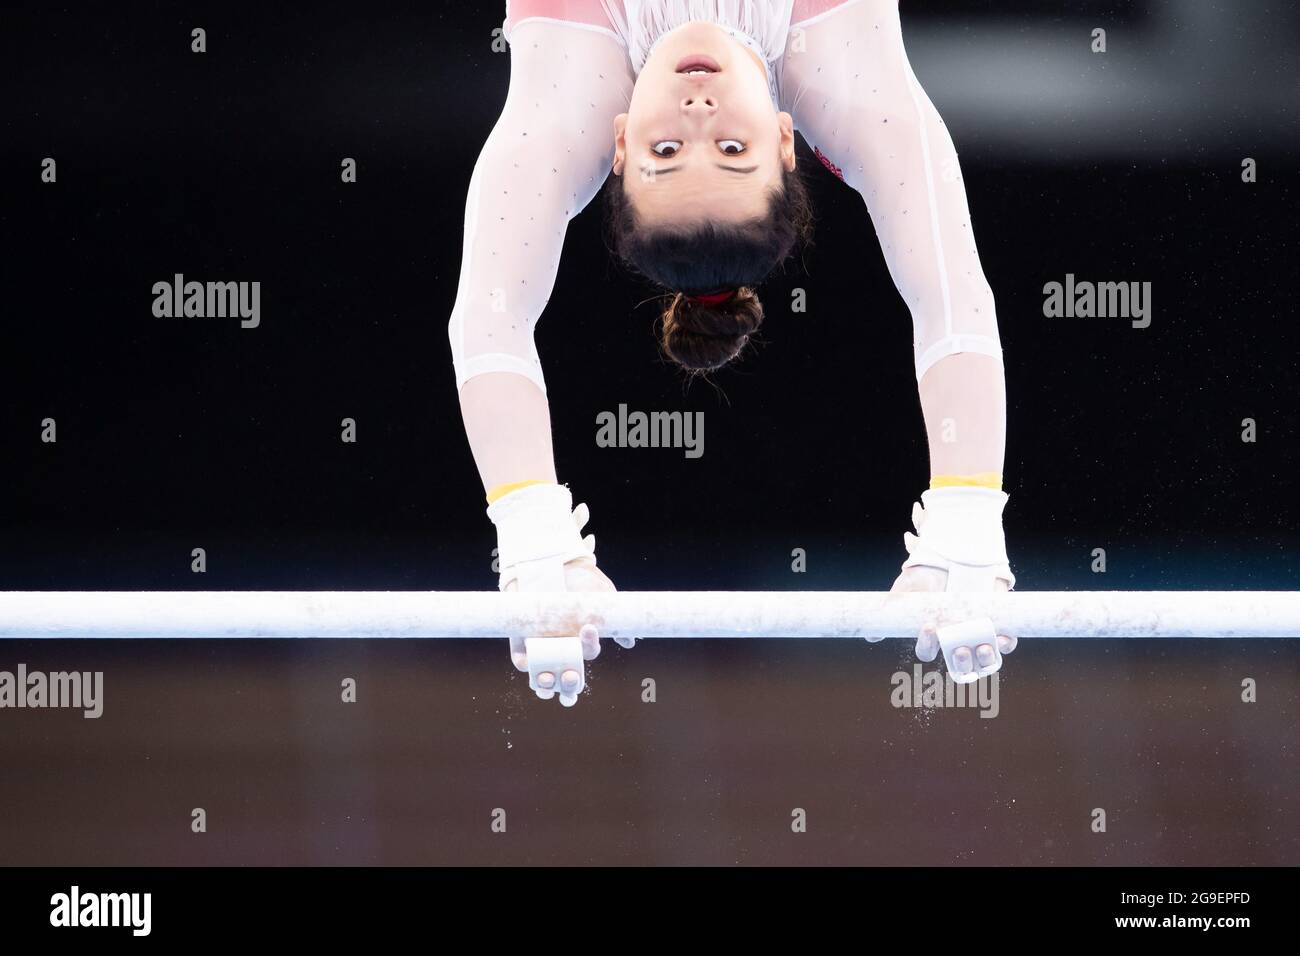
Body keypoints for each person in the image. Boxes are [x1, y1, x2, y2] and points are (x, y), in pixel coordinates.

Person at [449, 0, 1015, 706]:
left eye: (664, 154)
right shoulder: (843, 64)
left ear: (619, 146)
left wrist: (533, 543)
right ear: (784, 143)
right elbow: (951, 298)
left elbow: (490, 317)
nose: (698, 115)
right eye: (732, 151)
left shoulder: (572, 82)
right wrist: (967, 519)